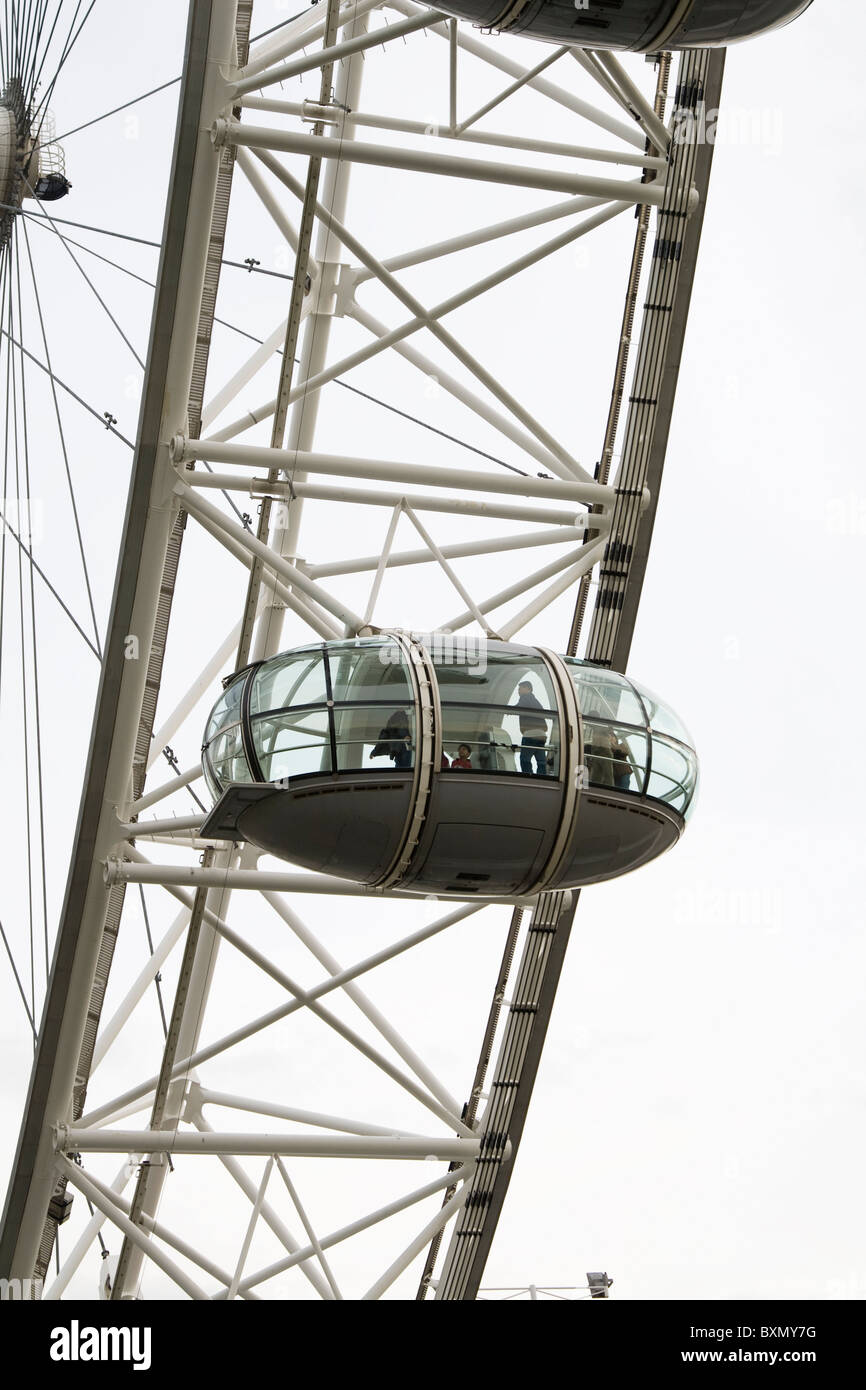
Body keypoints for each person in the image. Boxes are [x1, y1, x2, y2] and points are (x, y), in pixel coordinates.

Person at [514, 679, 548, 775]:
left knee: (524, 760)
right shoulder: (536, 701)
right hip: (541, 735)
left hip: (530, 734)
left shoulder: (525, 697)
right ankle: (542, 778)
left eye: (520, 688)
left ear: (527, 689)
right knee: (541, 761)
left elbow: (519, 707)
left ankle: (528, 777)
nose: (518, 691)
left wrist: (509, 710)